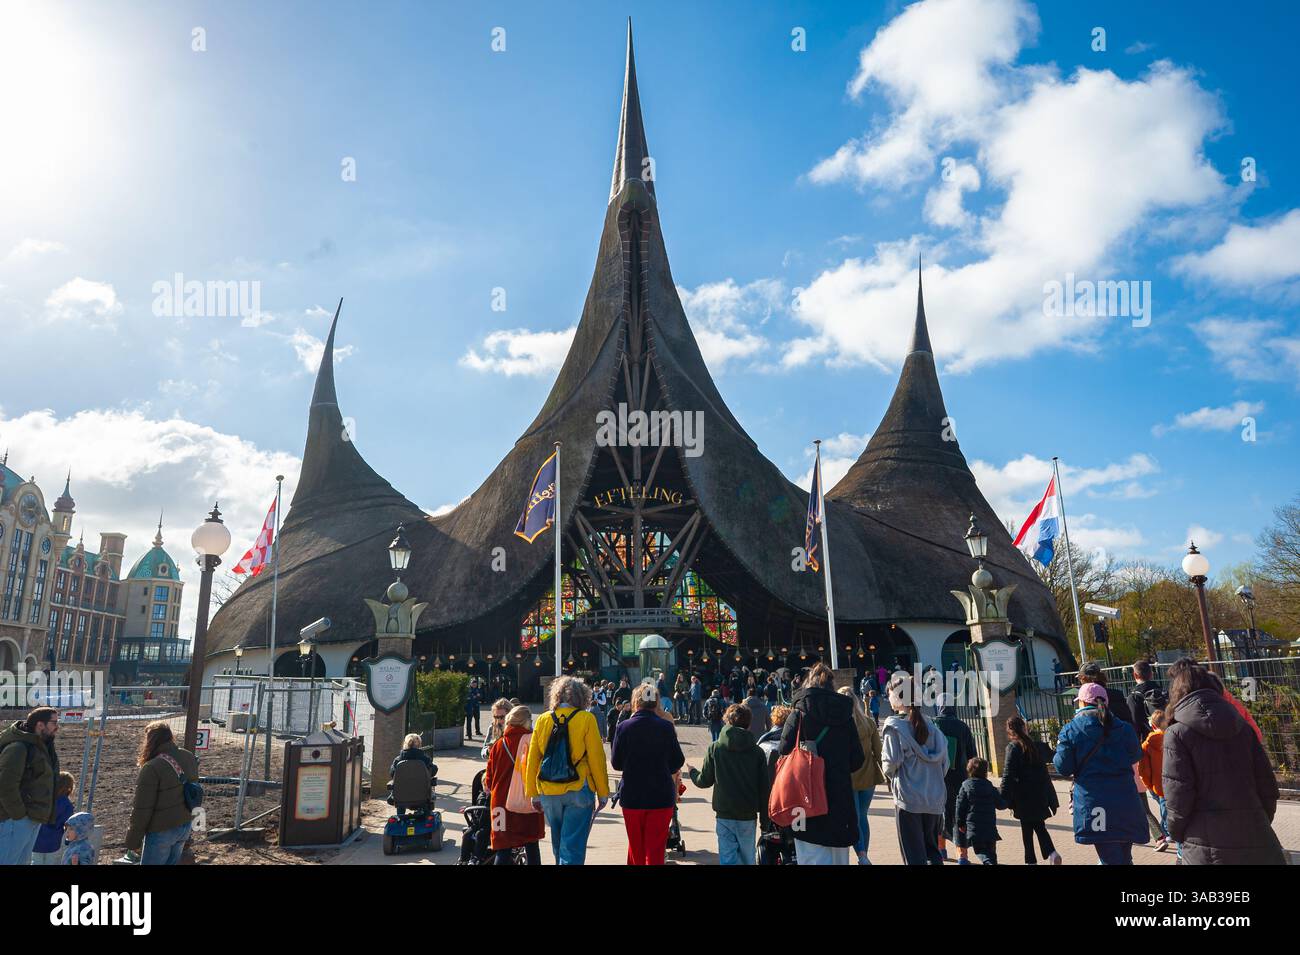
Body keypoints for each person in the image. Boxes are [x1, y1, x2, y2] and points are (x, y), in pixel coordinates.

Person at [1161, 659, 1285, 865]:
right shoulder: (1243, 727)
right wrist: (1259, 819)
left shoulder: (1176, 733)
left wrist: (1177, 832)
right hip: (1255, 834)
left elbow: (1177, 795)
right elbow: (1267, 786)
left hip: (1203, 842)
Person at [778, 663, 864, 865]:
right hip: (839, 799)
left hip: (805, 799)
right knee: (839, 858)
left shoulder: (798, 713)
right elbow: (857, 760)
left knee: (810, 856)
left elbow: (783, 749)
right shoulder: (845, 714)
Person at [1053, 683, 1147, 864]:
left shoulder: (1071, 730)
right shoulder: (1124, 728)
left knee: (1109, 857)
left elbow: (1063, 767)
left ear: (1081, 703)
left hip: (1095, 803)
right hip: (1125, 799)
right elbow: (1135, 755)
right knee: (1124, 856)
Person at [525, 676, 610, 865]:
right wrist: (603, 793)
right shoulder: (586, 719)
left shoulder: (543, 720)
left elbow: (533, 760)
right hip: (579, 787)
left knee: (558, 845)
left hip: (548, 789)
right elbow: (597, 759)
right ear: (582, 696)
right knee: (572, 846)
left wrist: (533, 793)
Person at [611, 683, 684, 865]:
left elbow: (616, 763)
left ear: (636, 702)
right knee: (656, 849)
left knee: (636, 847)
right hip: (660, 795)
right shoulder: (666, 727)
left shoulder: (623, 727)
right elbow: (677, 762)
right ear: (656, 702)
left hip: (633, 796)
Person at [881, 673, 948, 865]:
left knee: (914, 855)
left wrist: (893, 776)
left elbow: (890, 763)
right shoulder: (932, 726)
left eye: (890, 693)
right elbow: (945, 763)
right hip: (934, 798)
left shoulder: (894, 727)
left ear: (897, 697)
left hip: (909, 799)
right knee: (933, 851)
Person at [688, 703, 767, 865]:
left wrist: (692, 772)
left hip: (724, 813)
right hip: (748, 813)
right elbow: (764, 789)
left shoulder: (715, 748)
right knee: (748, 858)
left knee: (728, 859)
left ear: (727, 721)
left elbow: (704, 781)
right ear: (748, 723)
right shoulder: (757, 752)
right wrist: (765, 822)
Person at [126, 720, 200, 865]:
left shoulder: (152, 767)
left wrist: (133, 841)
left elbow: (142, 808)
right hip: (184, 826)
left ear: (151, 741)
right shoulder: (188, 756)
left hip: (161, 830)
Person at [0, 706, 61, 866]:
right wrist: (19, 815)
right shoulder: (18, 748)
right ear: (40, 725)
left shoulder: (42, 746)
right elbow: (5, 786)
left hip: (30, 819)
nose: (57, 727)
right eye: (54, 722)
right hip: (13, 820)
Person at [485, 705, 545, 865]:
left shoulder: (498, 745)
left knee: (503, 850)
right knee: (532, 846)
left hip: (501, 804)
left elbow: (489, 780)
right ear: (526, 721)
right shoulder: (533, 741)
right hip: (528, 800)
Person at [1000, 715, 1060, 865]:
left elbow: (1008, 774)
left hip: (1022, 797)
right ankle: (1049, 855)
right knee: (1037, 826)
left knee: (1028, 829)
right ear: (1025, 728)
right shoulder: (1036, 746)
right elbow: (1046, 774)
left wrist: (1002, 797)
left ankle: (1035, 859)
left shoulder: (1013, 748)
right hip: (1040, 795)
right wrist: (1051, 798)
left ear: (1010, 731)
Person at [839, 686, 884, 865]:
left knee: (855, 818)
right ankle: (864, 855)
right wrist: (887, 776)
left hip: (848, 777)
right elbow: (878, 751)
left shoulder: (839, 725)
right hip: (868, 776)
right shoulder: (868, 723)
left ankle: (862, 855)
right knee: (863, 817)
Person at [934, 699, 977, 863]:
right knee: (960, 814)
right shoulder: (962, 726)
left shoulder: (934, 724)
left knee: (939, 812)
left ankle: (941, 849)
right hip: (960, 777)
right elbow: (972, 754)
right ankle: (962, 855)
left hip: (939, 776)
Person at [954, 757, 1005, 864]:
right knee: (991, 854)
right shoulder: (990, 786)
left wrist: (960, 823)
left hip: (975, 829)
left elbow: (960, 807)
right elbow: (1001, 805)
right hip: (990, 828)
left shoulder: (965, 786)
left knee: (982, 853)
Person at [1138, 709, 1172, 852]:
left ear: (1152, 725)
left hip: (1157, 784)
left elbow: (1143, 769)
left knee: (1163, 806)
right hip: (1172, 783)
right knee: (1169, 807)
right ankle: (1169, 829)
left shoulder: (1147, 743)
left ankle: (1166, 832)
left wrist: (1148, 784)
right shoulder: (1173, 738)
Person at [32, 771, 76, 865]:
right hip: (54, 840)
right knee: (51, 862)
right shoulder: (67, 805)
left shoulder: (44, 798)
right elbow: (67, 824)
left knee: (36, 861)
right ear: (69, 787)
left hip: (37, 838)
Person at [1127, 660, 1167, 743]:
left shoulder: (1133, 697)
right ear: (1151, 674)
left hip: (1148, 739)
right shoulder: (1161, 691)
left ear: (1135, 675)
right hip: (1166, 735)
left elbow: (1135, 722)